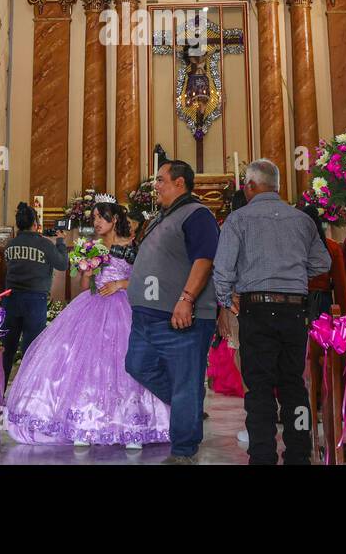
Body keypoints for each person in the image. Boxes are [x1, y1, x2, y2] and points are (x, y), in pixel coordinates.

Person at [7, 196, 170, 448]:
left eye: (99, 217)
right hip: (93, 307)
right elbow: (85, 287)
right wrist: (88, 271)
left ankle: (131, 426)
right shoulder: (92, 246)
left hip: (124, 305)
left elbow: (148, 279)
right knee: (85, 363)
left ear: (114, 219)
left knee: (124, 361)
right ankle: (83, 424)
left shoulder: (132, 245)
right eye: (93, 217)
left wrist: (120, 284)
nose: (95, 222)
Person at [214, 159, 330, 465]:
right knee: (294, 385)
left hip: (257, 309)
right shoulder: (302, 220)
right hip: (294, 312)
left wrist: (227, 301)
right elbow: (323, 264)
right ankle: (300, 454)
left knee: (260, 388)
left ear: (250, 186)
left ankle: (262, 455)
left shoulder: (238, 220)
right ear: (276, 185)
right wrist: (292, 272)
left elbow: (222, 270)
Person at [125, 160, 220, 465]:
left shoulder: (198, 214)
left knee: (185, 383)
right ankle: (187, 405)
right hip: (147, 317)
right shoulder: (162, 217)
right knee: (137, 365)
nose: (156, 185)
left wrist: (187, 298)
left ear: (180, 183)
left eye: (161, 180)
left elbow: (204, 260)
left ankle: (183, 451)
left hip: (179, 318)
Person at [0, 202, 67, 377]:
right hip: (35, 300)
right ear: (35, 224)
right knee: (32, 350)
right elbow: (62, 264)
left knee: (8, 349)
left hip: (11, 299)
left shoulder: (10, 244)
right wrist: (60, 241)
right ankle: (26, 394)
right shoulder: (43, 244)